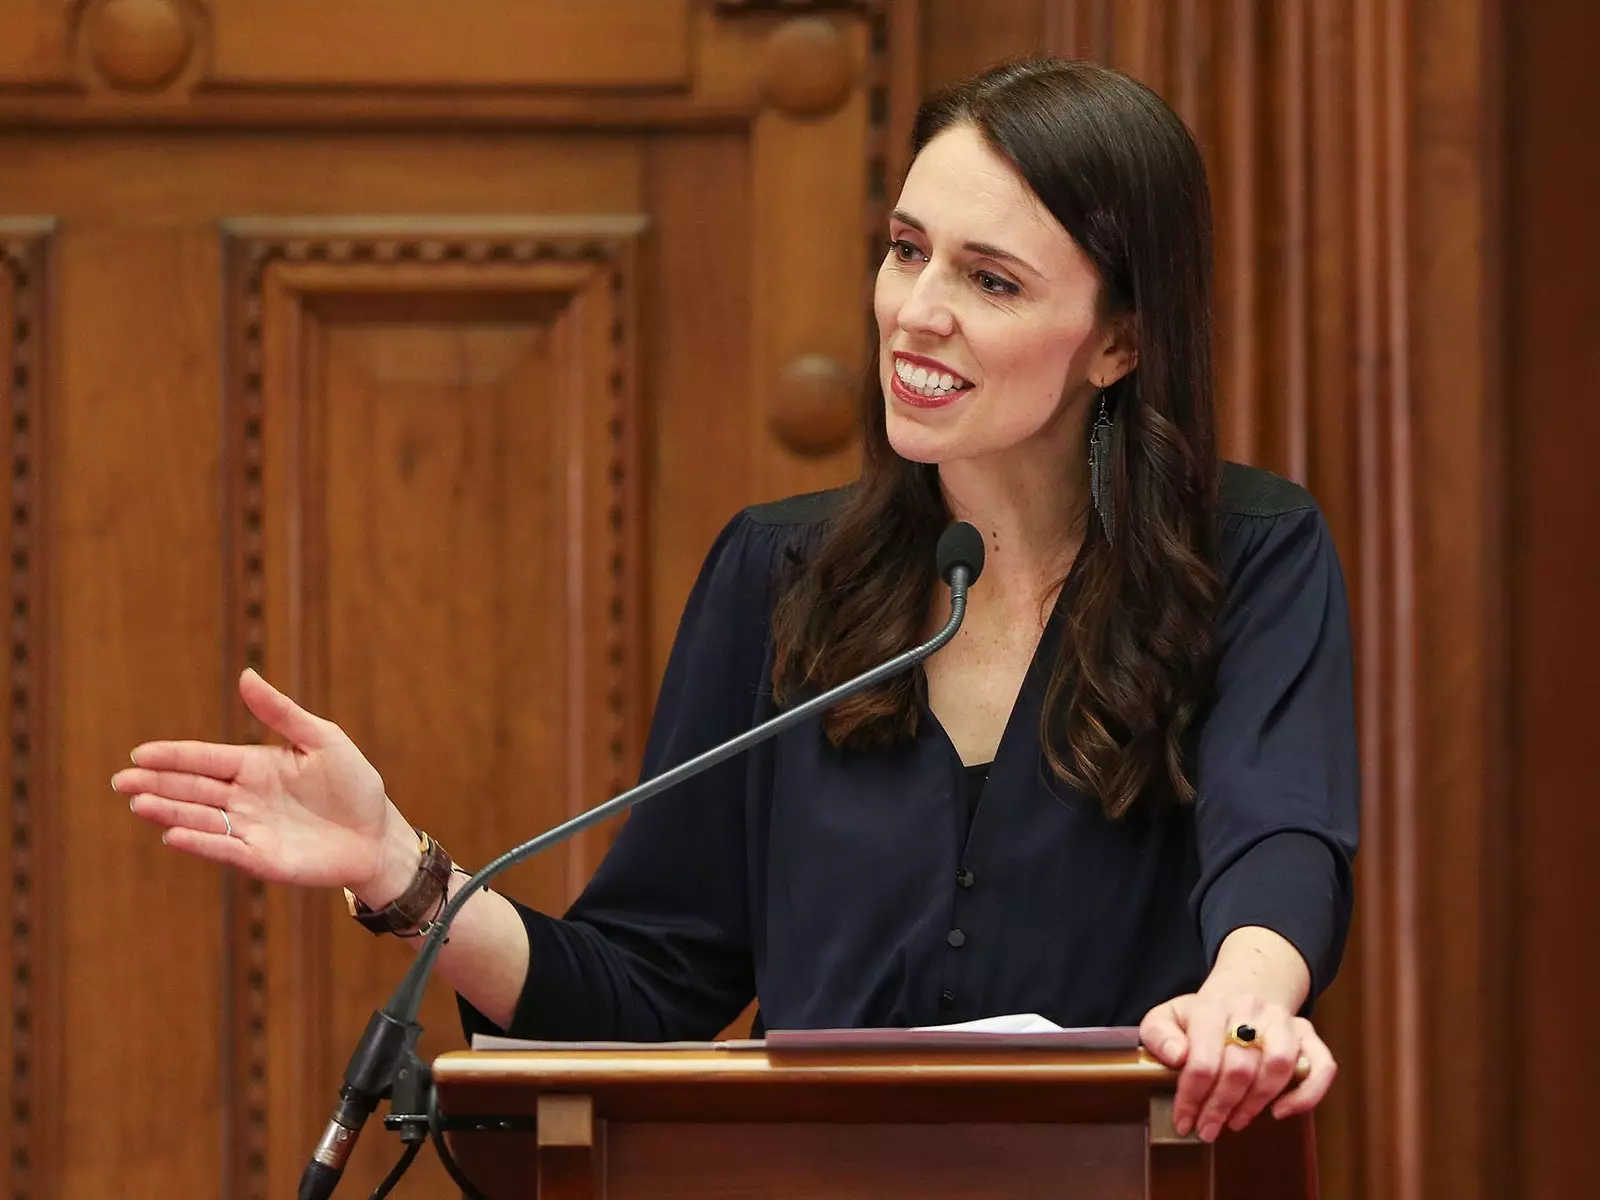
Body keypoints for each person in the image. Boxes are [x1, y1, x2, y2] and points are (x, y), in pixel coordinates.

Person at [111, 58, 1357, 1146]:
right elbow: (648, 990)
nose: (915, 312)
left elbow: (1276, 840)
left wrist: (1244, 1009)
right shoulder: (782, 578)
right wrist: (405, 876)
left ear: (1120, 341)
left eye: (991, 281)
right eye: (906, 249)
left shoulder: (1246, 555)